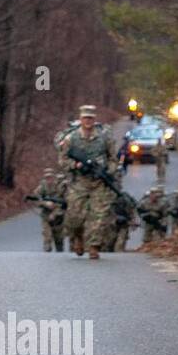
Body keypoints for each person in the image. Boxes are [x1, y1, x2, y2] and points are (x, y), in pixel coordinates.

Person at [57, 104, 117, 259]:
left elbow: (113, 159)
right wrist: (75, 165)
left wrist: (108, 171)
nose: (88, 121)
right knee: (74, 217)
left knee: (99, 216)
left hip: (98, 183)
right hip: (79, 183)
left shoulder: (104, 138)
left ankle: (94, 246)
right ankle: (78, 238)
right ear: (81, 119)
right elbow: (62, 160)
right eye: (85, 118)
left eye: (91, 118)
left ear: (94, 119)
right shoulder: (72, 138)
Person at [28, 168, 66, 252]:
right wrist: (45, 203)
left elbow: (64, 202)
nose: (49, 179)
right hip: (46, 215)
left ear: (54, 177)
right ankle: (47, 251)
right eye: (47, 177)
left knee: (59, 240)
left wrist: (55, 212)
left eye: (50, 177)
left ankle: (60, 255)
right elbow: (36, 199)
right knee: (47, 237)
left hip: (58, 217)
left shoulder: (60, 187)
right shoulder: (41, 188)